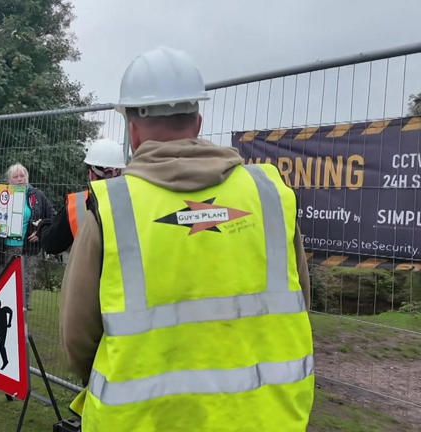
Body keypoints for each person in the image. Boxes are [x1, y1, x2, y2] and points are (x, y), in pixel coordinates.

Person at [61, 47, 314, 431]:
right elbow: (299, 305)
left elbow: (78, 339)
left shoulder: (112, 208)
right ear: (198, 121)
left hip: (140, 421)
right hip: (265, 418)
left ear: (132, 129)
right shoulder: (269, 195)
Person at [37, 139, 126, 254]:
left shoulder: (79, 205)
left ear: (91, 174)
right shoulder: (135, 200)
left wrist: (42, 225)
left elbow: (51, 244)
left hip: (90, 271)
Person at [0, 163, 54, 310]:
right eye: (16, 176)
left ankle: (21, 324)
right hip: (3, 248)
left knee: (23, 287)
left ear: (27, 177)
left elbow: (52, 217)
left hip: (27, 249)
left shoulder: (37, 195)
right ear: (9, 180)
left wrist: (40, 231)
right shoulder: (1, 194)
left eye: (22, 176)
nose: (20, 179)